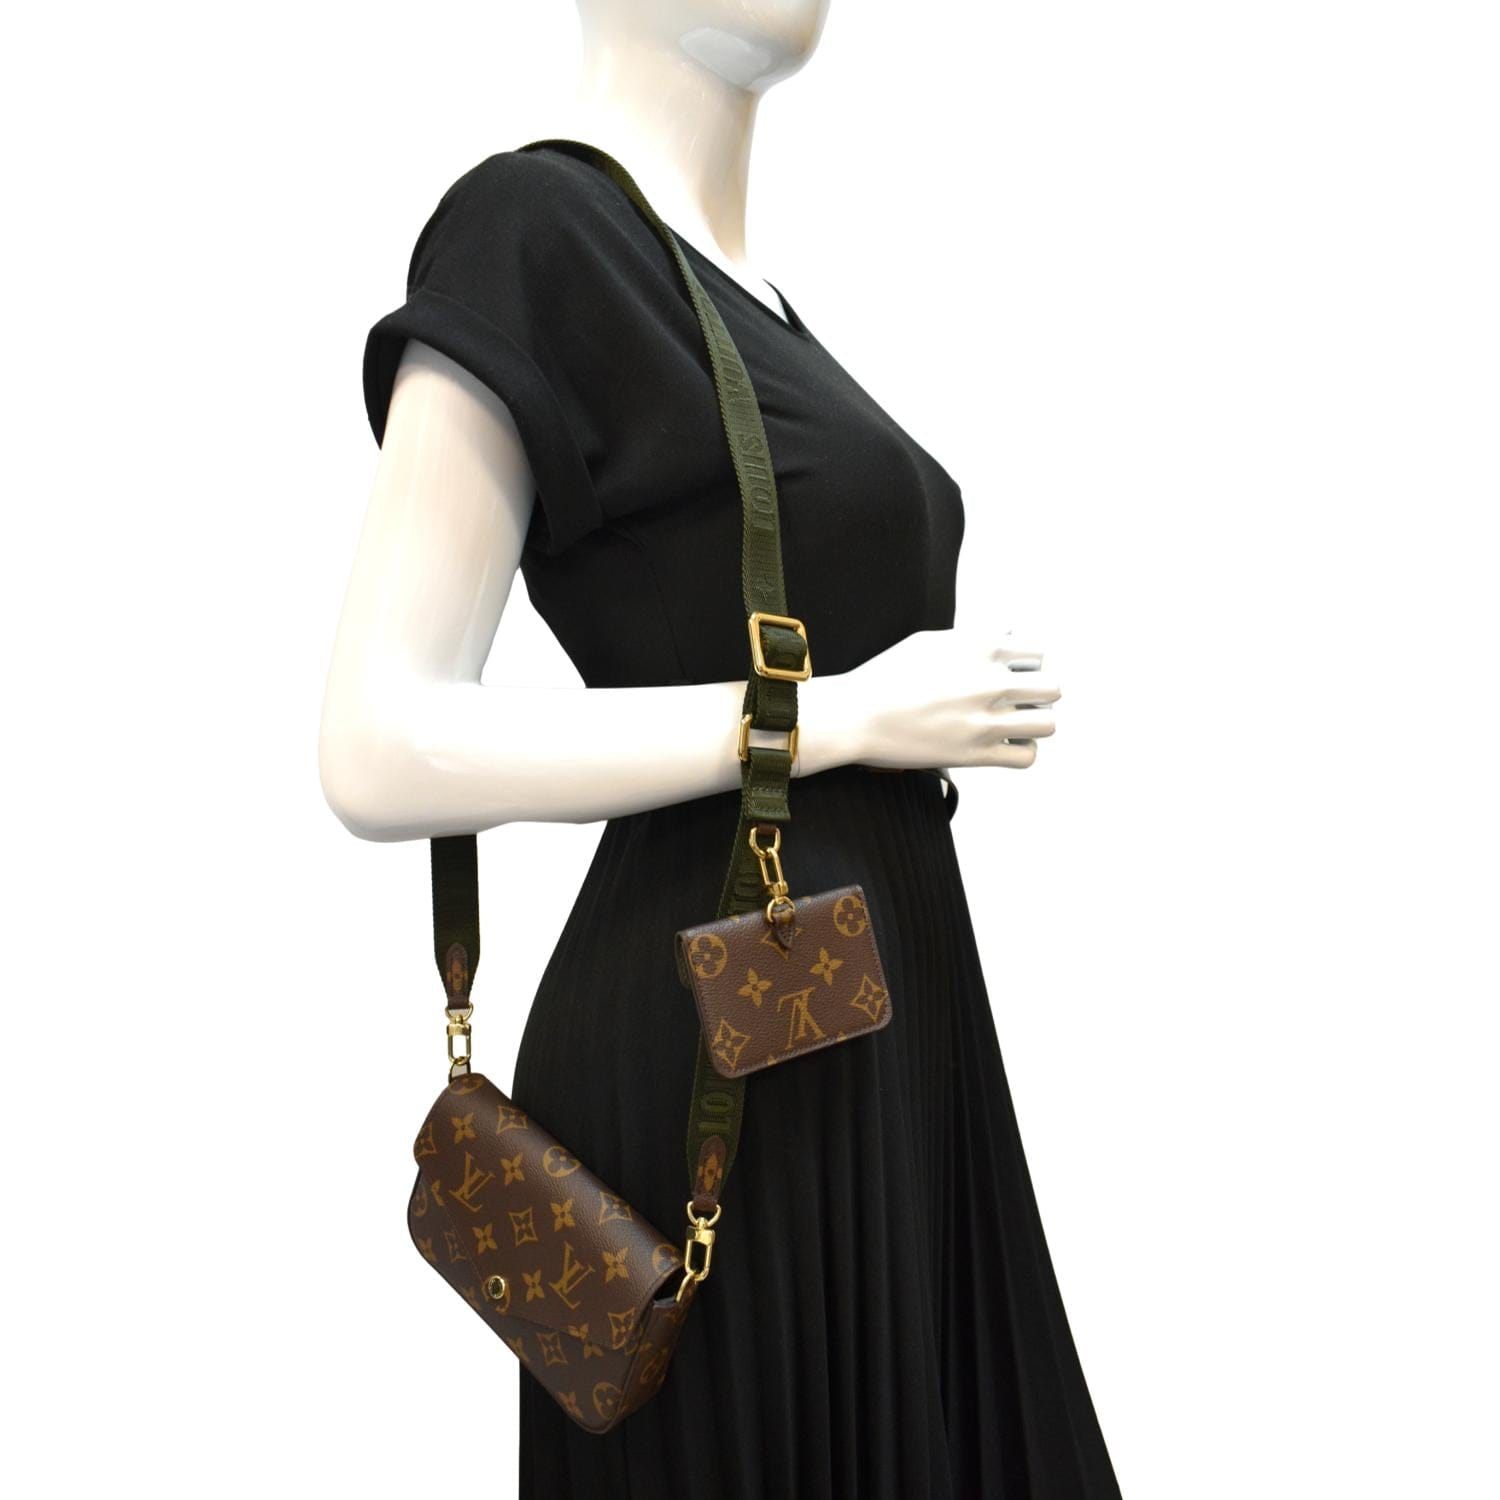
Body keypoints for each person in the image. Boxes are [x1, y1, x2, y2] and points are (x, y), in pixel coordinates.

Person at [320, 3, 1121, 1495]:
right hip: (728, 1050)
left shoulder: (750, 301)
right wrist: (836, 717)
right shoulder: (532, 229)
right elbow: (377, 743)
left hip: (880, 1028)